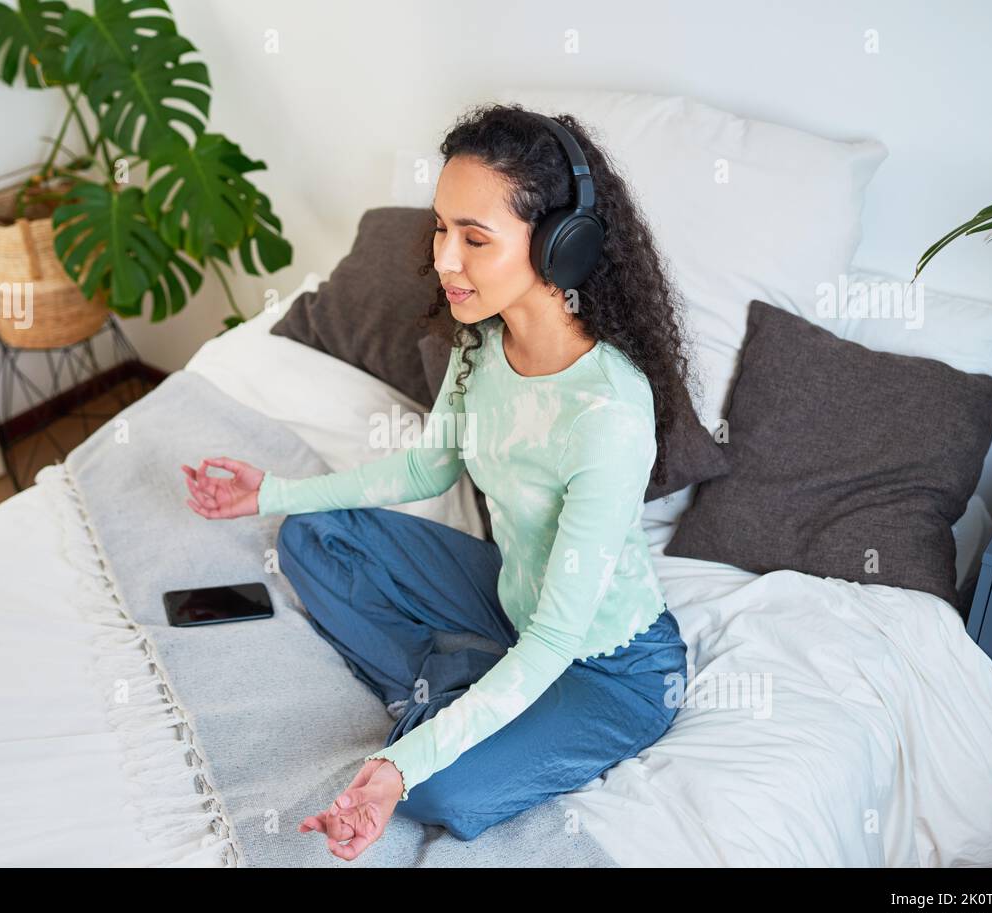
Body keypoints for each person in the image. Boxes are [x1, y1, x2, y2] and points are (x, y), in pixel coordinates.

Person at [181, 103, 695, 861]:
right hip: (512, 601)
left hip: (606, 666)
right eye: (442, 229)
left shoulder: (608, 413)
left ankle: (453, 697)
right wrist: (273, 493)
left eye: (474, 238)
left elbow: (557, 637)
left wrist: (401, 761)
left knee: (435, 790)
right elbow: (429, 465)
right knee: (311, 539)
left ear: (561, 245)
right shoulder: (481, 341)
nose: (444, 259)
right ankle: (462, 683)